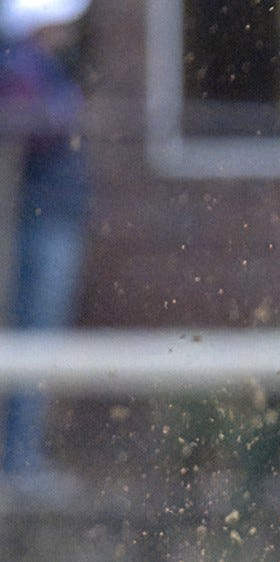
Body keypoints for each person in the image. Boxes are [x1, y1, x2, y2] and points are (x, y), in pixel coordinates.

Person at [0, 0, 87, 497]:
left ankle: (22, 457)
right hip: (36, 221)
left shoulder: (42, 68)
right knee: (32, 339)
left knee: (39, 339)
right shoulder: (21, 69)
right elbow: (29, 132)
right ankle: (18, 461)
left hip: (50, 216)